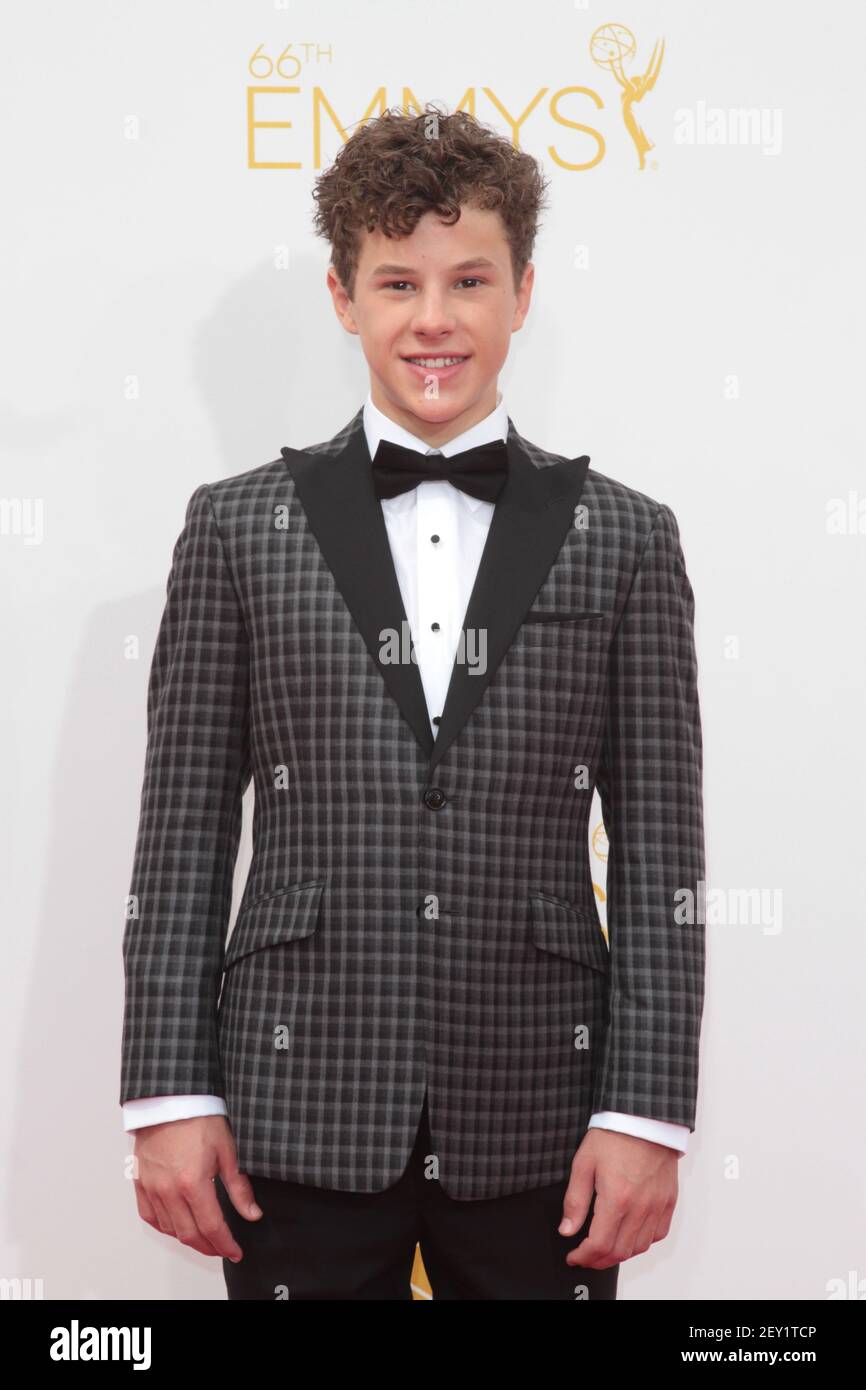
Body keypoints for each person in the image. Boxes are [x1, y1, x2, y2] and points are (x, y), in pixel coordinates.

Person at [120, 103, 705, 1300]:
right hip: (294, 1108)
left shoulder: (628, 539)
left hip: (547, 1114)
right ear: (343, 298)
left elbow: (664, 847)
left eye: (468, 280)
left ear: (523, 293)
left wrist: (647, 1108)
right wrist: (171, 1091)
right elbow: (182, 830)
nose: (432, 319)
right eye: (396, 282)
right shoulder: (234, 529)